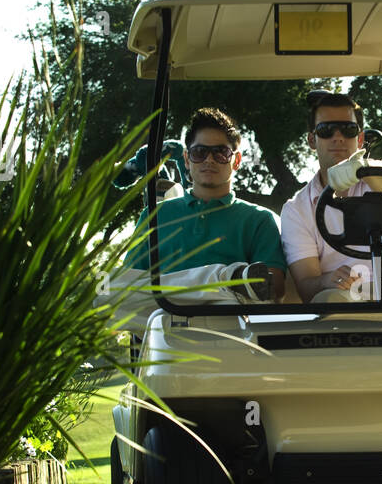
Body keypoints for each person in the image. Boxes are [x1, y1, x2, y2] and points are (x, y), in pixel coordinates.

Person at [100, 107, 286, 329]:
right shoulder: (156, 216)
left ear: (236, 161)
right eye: (199, 152)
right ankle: (227, 278)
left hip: (228, 327)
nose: (209, 160)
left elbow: (274, 287)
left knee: (241, 293)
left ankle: (224, 282)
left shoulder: (260, 219)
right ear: (187, 159)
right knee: (105, 287)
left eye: (220, 153)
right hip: (165, 326)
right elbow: (131, 282)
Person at [281, 91, 382, 303]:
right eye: (326, 130)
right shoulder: (296, 209)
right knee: (330, 300)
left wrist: (362, 168)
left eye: (348, 129)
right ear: (311, 140)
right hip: (348, 301)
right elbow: (307, 287)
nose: (338, 137)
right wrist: (326, 280)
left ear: (360, 139)